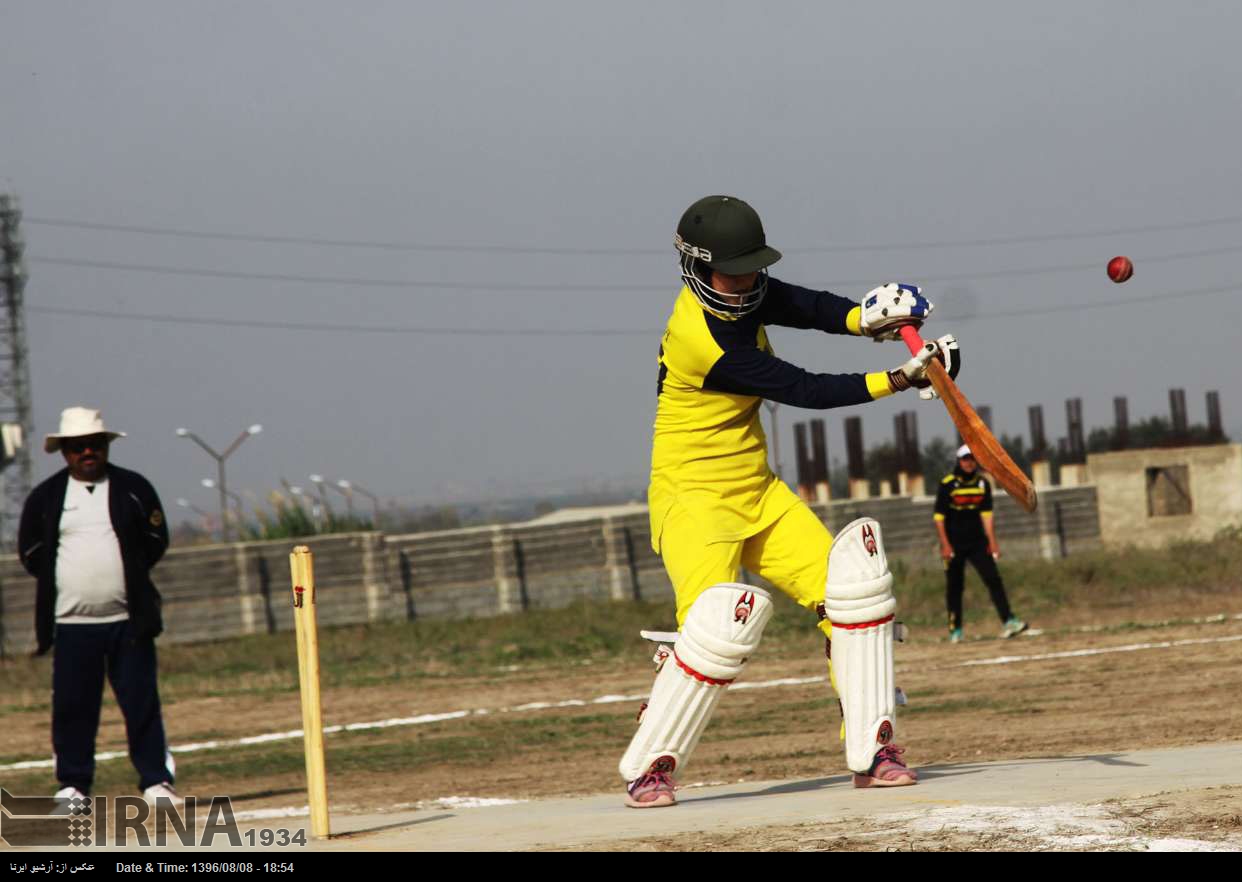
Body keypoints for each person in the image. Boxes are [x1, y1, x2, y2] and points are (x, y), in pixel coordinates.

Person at [619, 195, 961, 808]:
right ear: (697, 266)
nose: (749, 282)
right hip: (694, 501)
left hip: (756, 489)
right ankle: (651, 766)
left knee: (855, 593)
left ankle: (873, 748)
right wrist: (902, 378)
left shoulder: (745, 290)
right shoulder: (703, 337)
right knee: (713, 633)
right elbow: (800, 388)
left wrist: (868, 317)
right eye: (736, 270)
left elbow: (806, 306)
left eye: (755, 267)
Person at [18, 407, 179, 807]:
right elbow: (30, 552)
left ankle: (156, 781)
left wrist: (130, 577)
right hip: (72, 624)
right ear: (64, 452)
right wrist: (73, 579)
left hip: (128, 621)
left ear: (105, 446)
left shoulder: (132, 488)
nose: (87, 453)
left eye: (94, 445)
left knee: (141, 701)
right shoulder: (46, 497)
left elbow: (155, 539)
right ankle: (73, 785)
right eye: (78, 447)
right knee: (73, 706)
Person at [934, 444, 1028, 643]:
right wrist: (945, 544)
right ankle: (955, 629)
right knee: (955, 586)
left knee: (993, 579)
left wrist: (993, 542)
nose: (969, 463)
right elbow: (939, 518)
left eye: (972, 459)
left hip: (977, 542)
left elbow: (987, 516)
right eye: (965, 459)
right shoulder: (948, 484)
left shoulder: (983, 484)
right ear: (959, 461)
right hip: (954, 543)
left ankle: (1009, 621)